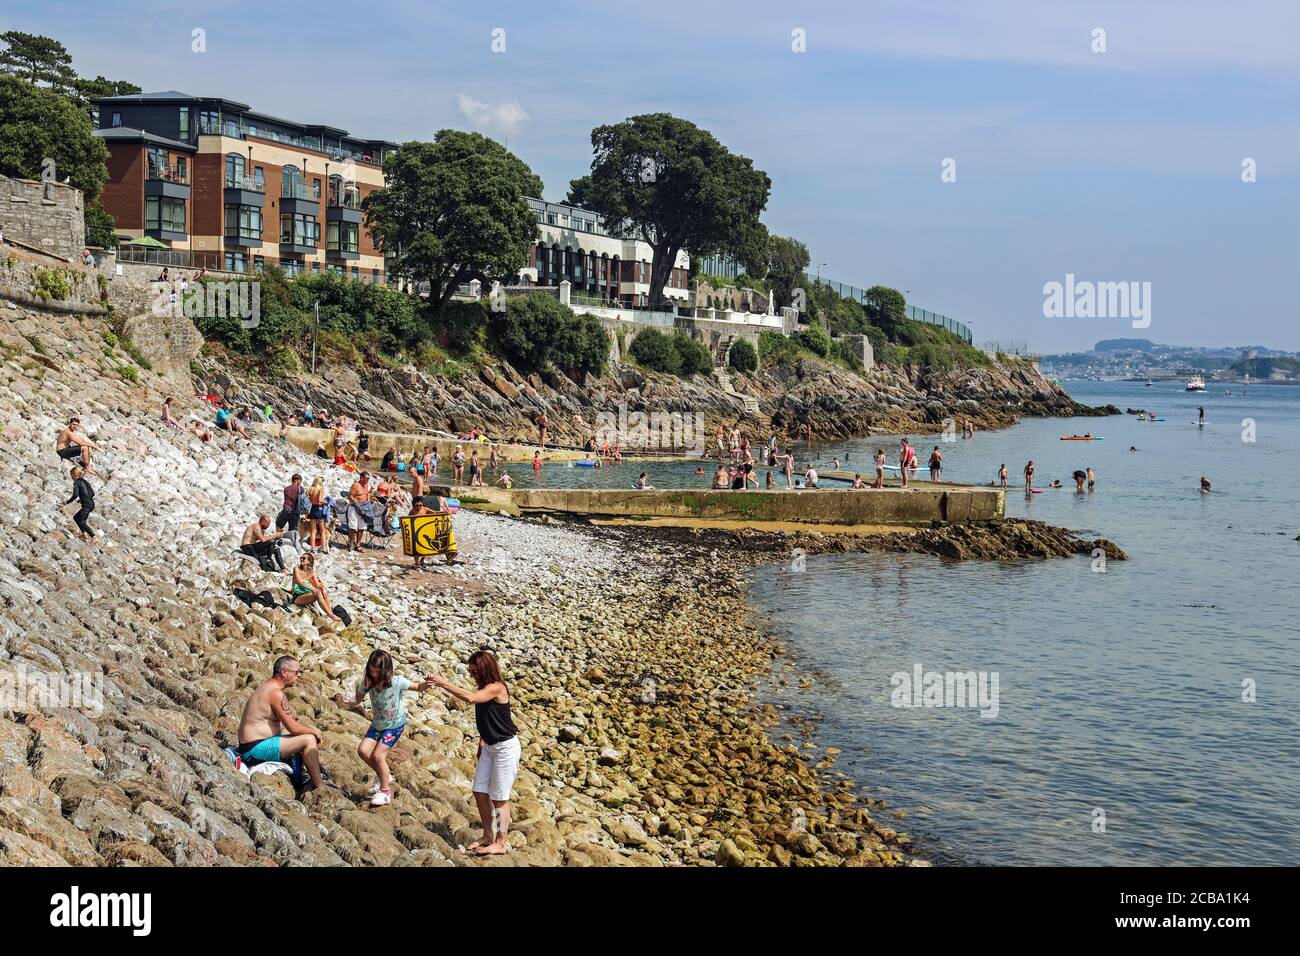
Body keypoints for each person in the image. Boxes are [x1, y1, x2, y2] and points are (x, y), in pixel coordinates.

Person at [428, 651, 520, 855]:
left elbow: (471, 699)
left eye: (475, 672)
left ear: (485, 669)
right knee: (479, 791)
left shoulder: (497, 687)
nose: (472, 676)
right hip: (489, 746)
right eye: (470, 672)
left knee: (499, 798)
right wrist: (482, 741)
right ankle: (488, 835)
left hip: (505, 747)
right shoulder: (484, 688)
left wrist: (444, 683)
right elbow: (490, 718)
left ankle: (501, 842)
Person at [336, 650, 437, 807]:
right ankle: (384, 774)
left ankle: (385, 791)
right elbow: (357, 699)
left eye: (378, 671)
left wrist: (428, 684)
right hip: (377, 724)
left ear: (386, 670)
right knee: (363, 751)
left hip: (394, 726)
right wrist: (345, 701)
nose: (375, 673)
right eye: (372, 669)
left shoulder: (397, 682)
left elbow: (418, 687)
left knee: (377, 755)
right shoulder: (367, 682)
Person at [235, 656, 324, 790]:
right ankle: (320, 785)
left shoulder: (269, 687)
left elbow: (291, 726)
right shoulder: (275, 693)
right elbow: (293, 727)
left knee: (301, 739)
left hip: (253, 745)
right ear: (284, 672)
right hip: (253, 749)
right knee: (309, 740)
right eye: (296, 671)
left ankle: (300, 779)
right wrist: (315, 732)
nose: (299, 675)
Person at [291, 553, 342, 622]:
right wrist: (313, 589)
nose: (301, 559)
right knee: (317, 593)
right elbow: (300, 583)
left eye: (304, 558)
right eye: (301, 558)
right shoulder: (296, 569)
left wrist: (322, 588)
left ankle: (330, 612)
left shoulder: (311, 571)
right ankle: (331, 615)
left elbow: (317, 584)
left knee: (323, 590)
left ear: (309, 561)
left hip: (307, 594)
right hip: (297, 597)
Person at [65, 465, 96, 542]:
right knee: (76, 518)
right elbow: (92, 493)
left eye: (72, 476)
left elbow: (75, 495)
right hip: (91, 504)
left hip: (86, 506)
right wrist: (82, 499)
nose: (72, 478)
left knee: (82, 522)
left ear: (75, 475)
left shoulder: (76, 483)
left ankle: (94, 537)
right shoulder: (86, 482)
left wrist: (67, 502)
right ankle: (84, 534)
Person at [347, 472, 371, 552]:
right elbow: (350, 496)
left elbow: (366, 495)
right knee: (353, 527)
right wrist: (357, 505)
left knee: (362, 527)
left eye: (368, 479)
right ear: (361, 477)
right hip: (354, 507)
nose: (368, 480)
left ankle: (357, 545)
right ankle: (350, 544)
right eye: (366, 478)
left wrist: (369, 505)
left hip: (364, 508)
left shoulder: (366, 485)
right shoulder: (355, 485)